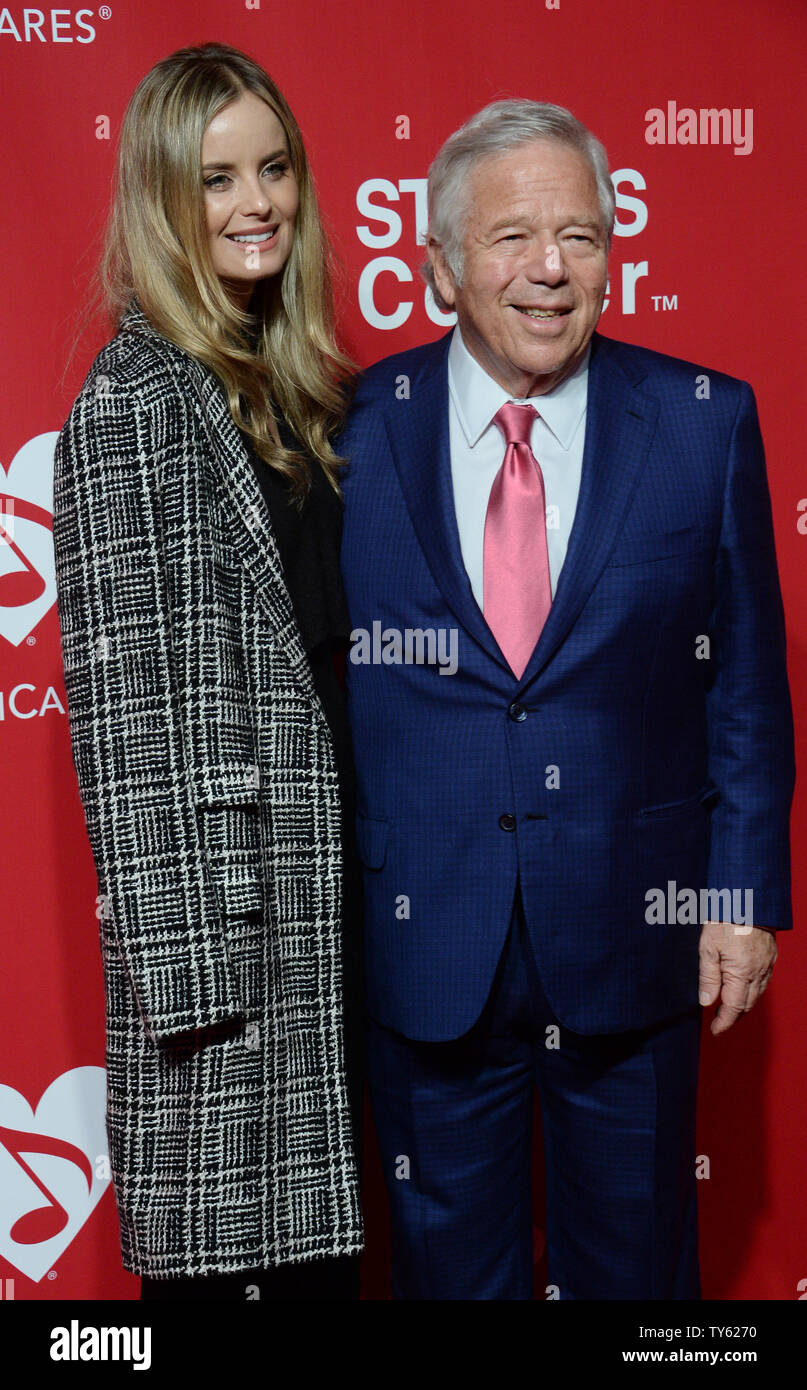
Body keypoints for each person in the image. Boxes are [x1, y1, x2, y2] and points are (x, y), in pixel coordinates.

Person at [337, 99, 795, 1300]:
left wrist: (742, 898)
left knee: (641, 1283)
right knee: (449, 1281)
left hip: (634, 942)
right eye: (513, 238)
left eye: (583, 236)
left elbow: (744, 683)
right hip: (423, 941)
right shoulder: (343, 432)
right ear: (436, 263)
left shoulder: (704, 422)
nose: (552, 268)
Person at [52, 42, 364, 1299]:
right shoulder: (133, 400)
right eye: (216, 178)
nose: (257, 204)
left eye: (274, 168)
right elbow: (124, 719)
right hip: (227, 964)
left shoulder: (294, 393)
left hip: (325, 916)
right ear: (161, 202)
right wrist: (193, 990)